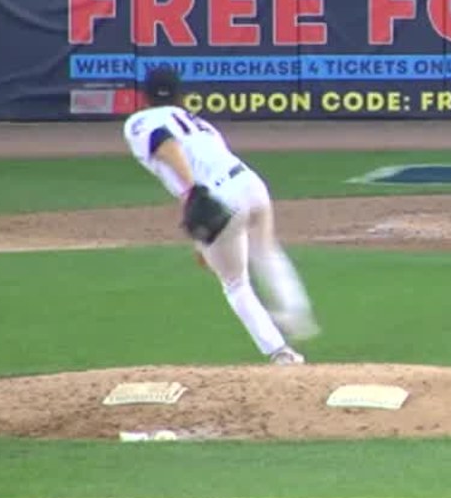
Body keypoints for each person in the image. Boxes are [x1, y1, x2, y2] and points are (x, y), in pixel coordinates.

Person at [123, 65, 320, 365]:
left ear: (143, 96)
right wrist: (198, 236)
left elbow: (165, 143)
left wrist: (193, 192)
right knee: (266, 251)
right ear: (180, 95)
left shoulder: (138, 121)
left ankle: (282, 354)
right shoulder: (200, 123)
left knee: (235, 284)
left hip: (218, 196)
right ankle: (295, 311)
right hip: (251, 184)